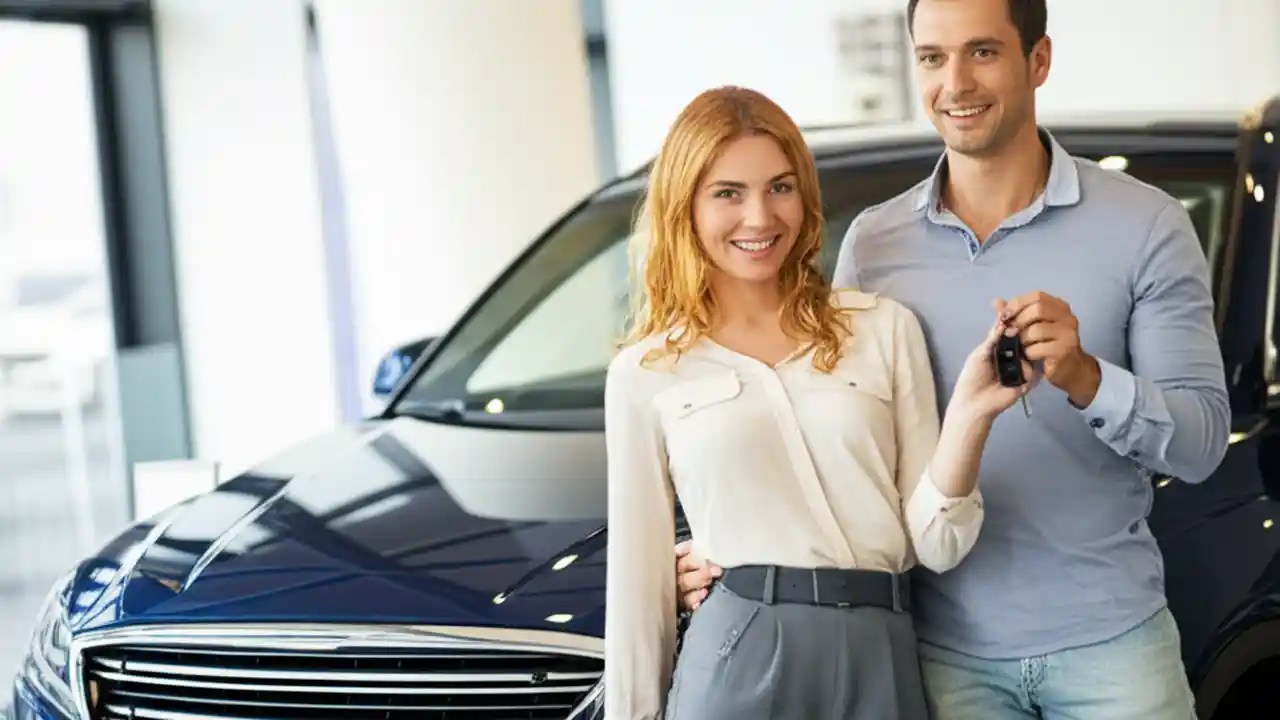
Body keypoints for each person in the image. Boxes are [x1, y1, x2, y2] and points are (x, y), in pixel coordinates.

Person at [674, 1, 1230, 718]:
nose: (955, 81)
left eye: (983, 52)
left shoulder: (1147, 224)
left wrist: (1087, 377)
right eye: (932, 57)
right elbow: (830, 447)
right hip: (940, 657)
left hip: (1112, 645)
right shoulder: (873, 246)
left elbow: (1201, 444)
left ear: (1039, 60)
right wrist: (719, 550)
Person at [604, 85, 1033, 719]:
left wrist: (971, 416)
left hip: (879, 647)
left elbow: (936, 544)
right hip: (739, 652)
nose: (760, 217)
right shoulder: (646, 371)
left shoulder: (883, 328)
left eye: (780, 187)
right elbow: (638, 591)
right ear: (683, 208)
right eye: (728, 193)